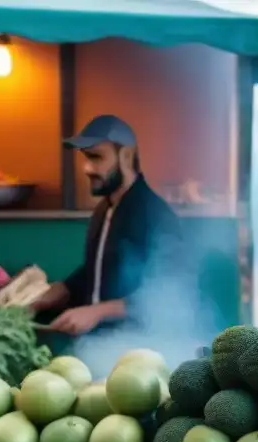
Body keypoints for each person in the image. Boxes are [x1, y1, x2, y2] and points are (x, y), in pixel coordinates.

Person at [30, 115, 183, 336]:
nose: (87, 168)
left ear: (127, 156)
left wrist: (98, 312)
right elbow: (95, 271)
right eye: (85, 158)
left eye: (97, 157)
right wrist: (55, 293)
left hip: (139, 344)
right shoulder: (104, 209)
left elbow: (167, 293)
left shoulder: (157, 215)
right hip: (98, 342)